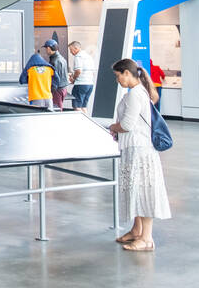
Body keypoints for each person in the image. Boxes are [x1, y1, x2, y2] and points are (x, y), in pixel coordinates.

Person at [108, 58, 171, 251]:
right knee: (136, 188)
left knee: (144, 190)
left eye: (118, 76)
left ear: (127, 73)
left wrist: (113, 127)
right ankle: (137, 230)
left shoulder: (136, 94)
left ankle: (147, 238)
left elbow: (127, 125)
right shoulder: (135, 93)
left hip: (140, 151)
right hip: (133, 149)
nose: (118, 80)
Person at [68, 41, 94, 114]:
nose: (70, 52)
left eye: (71, 50)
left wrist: (73, 78)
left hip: (81, 84)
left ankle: (80, 123)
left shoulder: (78, 56)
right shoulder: (88, 56)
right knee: (83, 106)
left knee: (77, 107)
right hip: (90, 84)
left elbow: (78, 71)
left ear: (76, 48)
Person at [47, 39, 69, 110]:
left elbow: (56, 78)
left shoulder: (56, 60)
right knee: (58, 107)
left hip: (57, 89)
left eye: (46, 48)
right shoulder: (61, 58)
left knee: (57, 109)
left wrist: (52, 90)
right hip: (62, 88)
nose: (46, 51)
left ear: (49, 48)